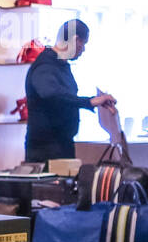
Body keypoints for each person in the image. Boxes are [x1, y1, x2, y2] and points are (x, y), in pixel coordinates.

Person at [23, 19, 117, 161]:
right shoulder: (45, 66)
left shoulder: (61, 66)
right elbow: (52, 95)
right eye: (83, 44)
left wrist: (91, 102)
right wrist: (89, 102)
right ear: (75, 39)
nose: (83, 49)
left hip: (62, 145)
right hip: (45, 151)